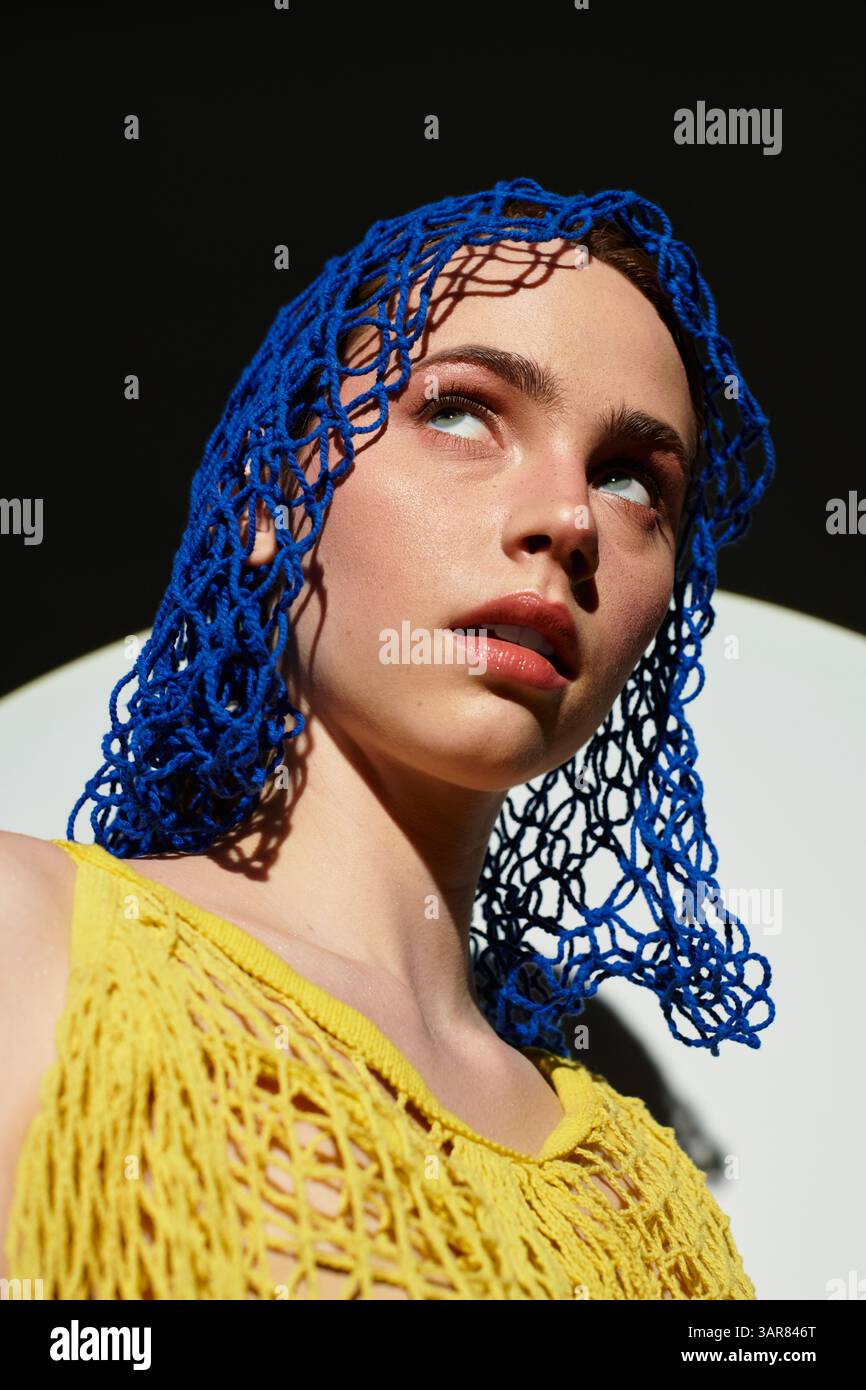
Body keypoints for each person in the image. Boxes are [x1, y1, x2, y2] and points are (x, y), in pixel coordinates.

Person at [0, 177, 775, 1300]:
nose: (566, 517)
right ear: (276, 490)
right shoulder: (36, 953)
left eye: (628, 479)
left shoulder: (651, 1211)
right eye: (461, 412)